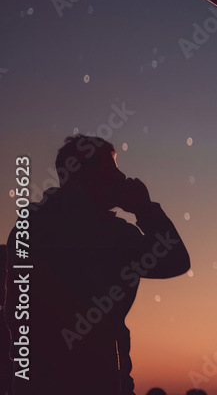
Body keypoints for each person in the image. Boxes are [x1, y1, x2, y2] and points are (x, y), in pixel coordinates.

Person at [4, 135, 191, 395]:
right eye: (111, 171)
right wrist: (145, 208)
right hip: (99, 381)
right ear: (86, 178)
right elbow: (176, 260)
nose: (121, 177)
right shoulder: (113, 235)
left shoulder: (28, 227)